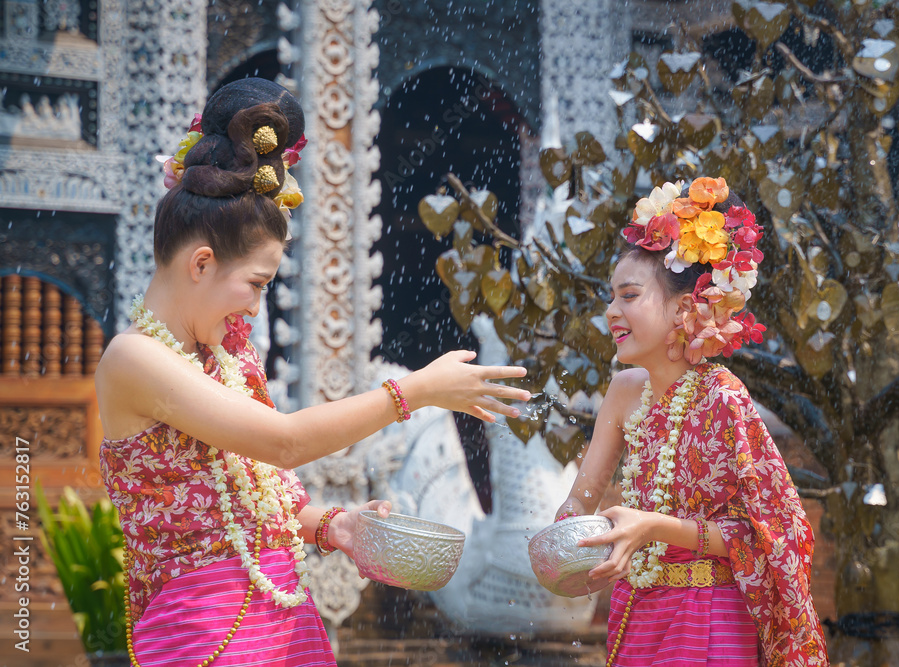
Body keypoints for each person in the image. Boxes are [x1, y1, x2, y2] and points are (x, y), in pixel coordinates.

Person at [96, 78, 530, 667]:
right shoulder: (133, 359)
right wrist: (416, 390)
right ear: (201, 262)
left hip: (282, 617)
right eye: (255, 285)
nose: (254, 308)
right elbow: (284, 443)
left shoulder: (225, 356)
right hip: (204, 630)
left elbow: (255, 498)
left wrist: (335, 526)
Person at [553, 177, 828, 666]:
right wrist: (566, 532)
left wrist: (654, 527)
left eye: (629, 295)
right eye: (611, 297)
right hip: (636, 609)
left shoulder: (723, 397)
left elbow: (772, 533)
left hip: (710, 616)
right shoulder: (622, 393)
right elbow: (584, 493)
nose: (611, 311)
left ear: (685, 308)